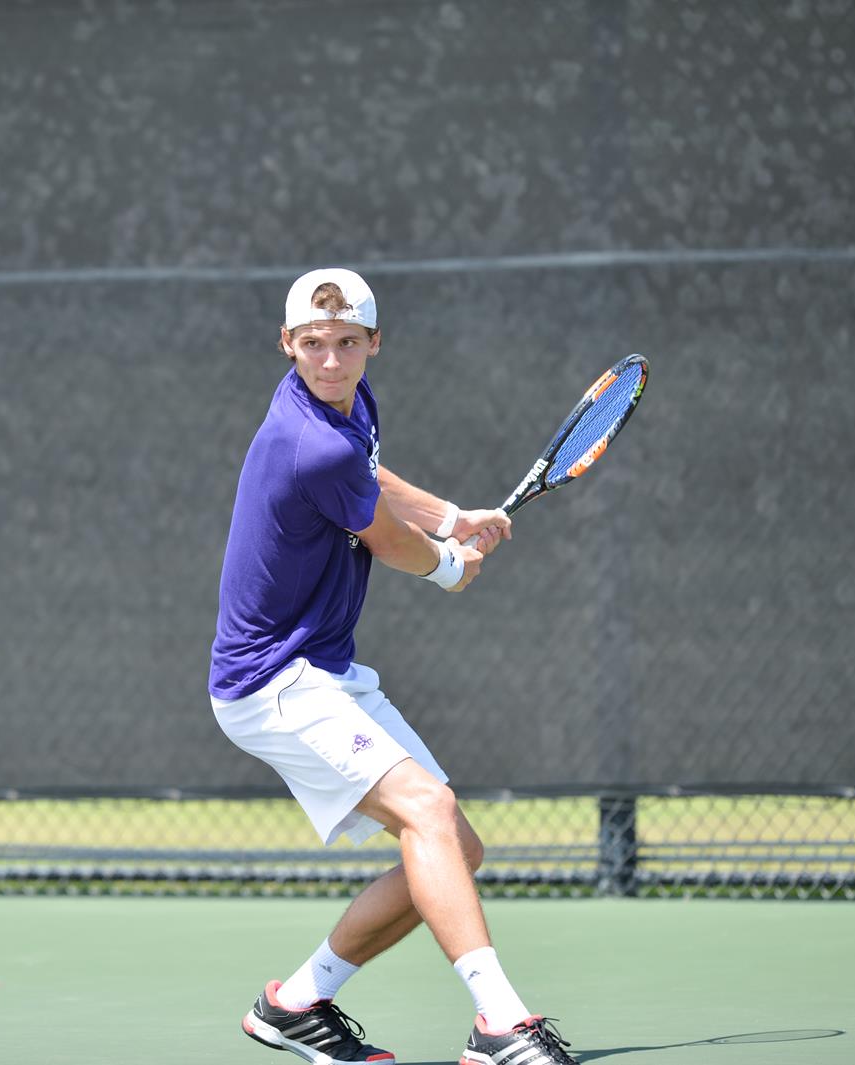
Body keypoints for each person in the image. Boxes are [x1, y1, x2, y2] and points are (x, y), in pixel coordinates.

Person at [209, 268, 579, 1065]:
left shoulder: (347, 407)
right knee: (425, 811)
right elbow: (383, 535)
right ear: (288, 345)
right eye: (314, 345)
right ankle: (501, 1024)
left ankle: (295, 1003)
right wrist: (449, 563)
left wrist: (452, 517)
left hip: (322, 668)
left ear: (374, 342)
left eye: (347, 342)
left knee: (450, 843)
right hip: (270, 681)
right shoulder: (305, 440)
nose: (331, 359)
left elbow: (371, 477)